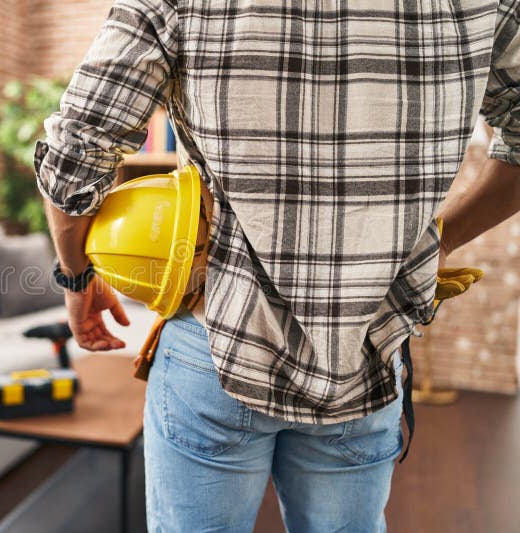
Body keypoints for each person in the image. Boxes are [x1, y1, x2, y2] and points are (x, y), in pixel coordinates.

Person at [33, 0, 520, 531]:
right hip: (366, 351)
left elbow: (74, 151)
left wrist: (77, 277)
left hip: (216, 339)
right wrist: (438, 243)